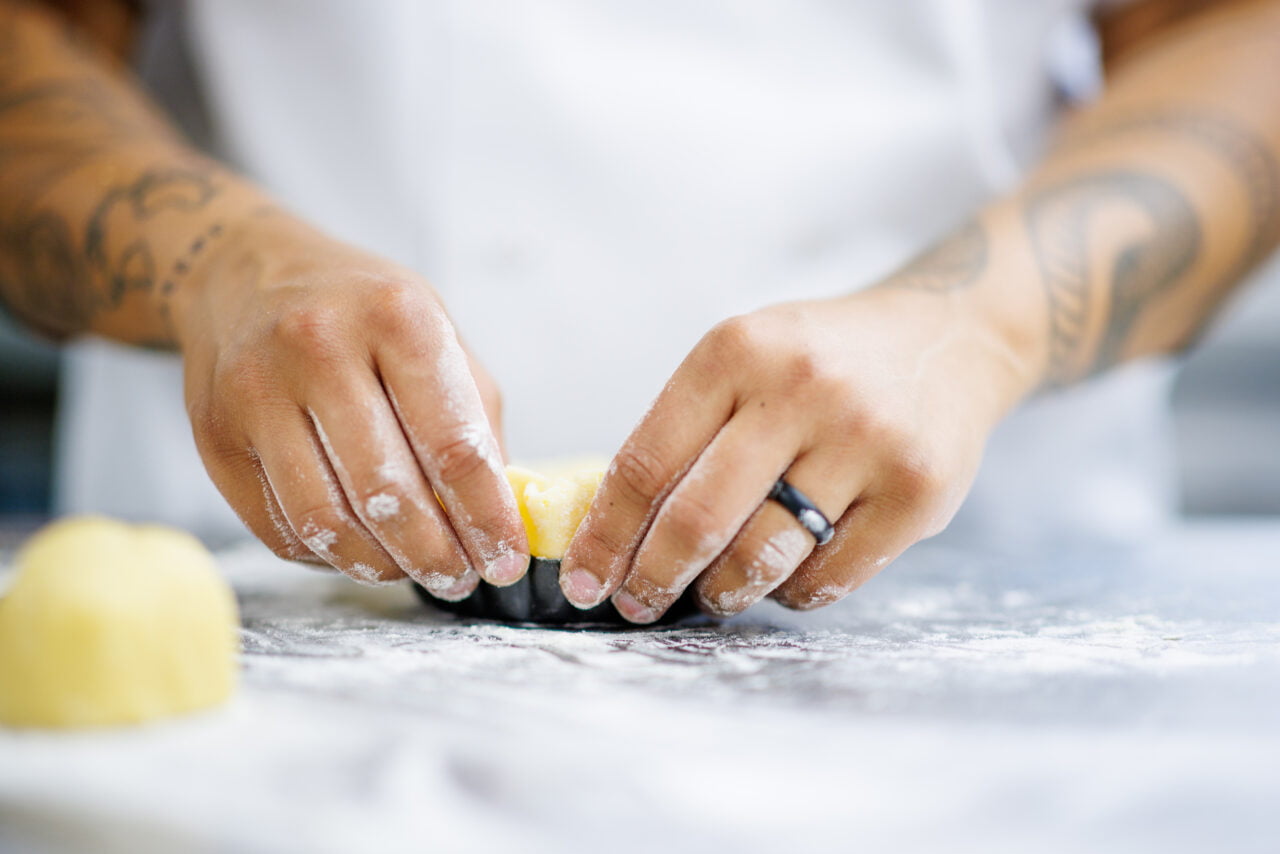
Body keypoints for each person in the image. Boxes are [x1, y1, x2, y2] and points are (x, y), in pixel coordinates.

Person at [1, 0, 1277, 623]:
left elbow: (1234, 31)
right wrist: (216, 255)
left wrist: (982, 322)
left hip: (975, 585)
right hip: (266, 590)